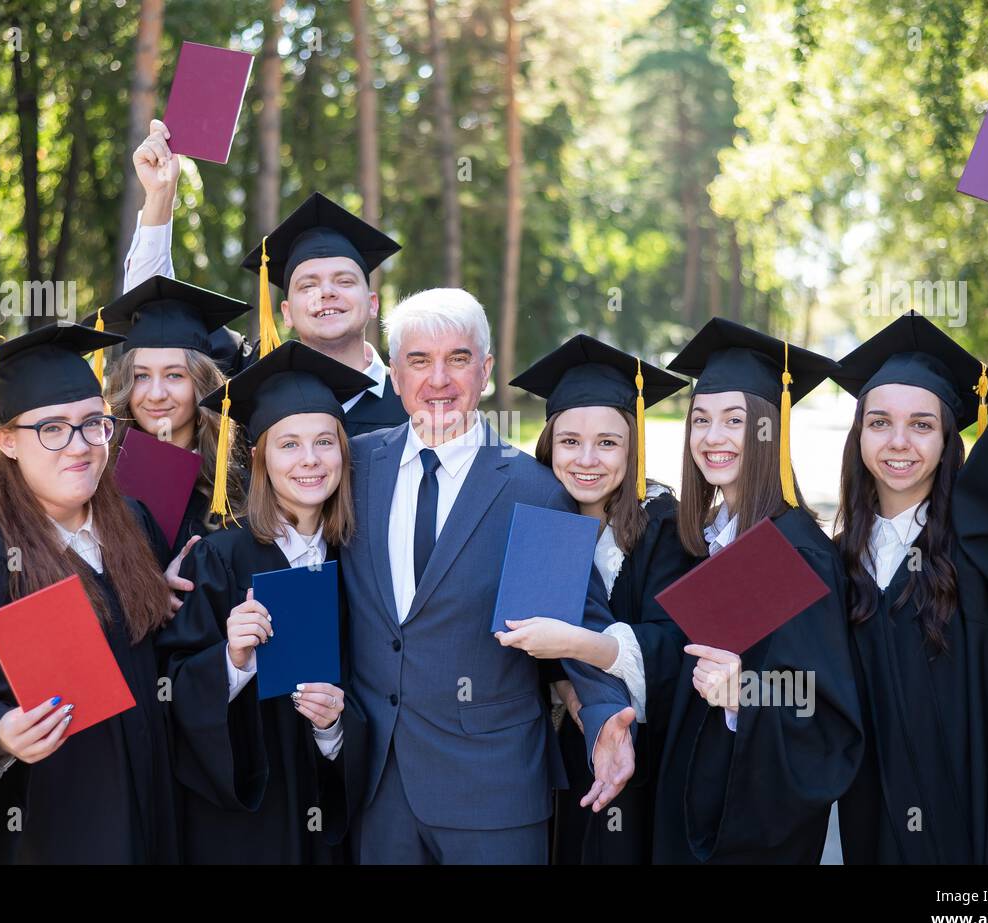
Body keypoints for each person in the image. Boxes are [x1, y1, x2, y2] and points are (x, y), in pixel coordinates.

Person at [833, 178, 988, 864]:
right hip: (879, 823)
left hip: (983, 822)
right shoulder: (837, 561)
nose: (898, 443)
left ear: (949, 441)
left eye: (922, 426)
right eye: (879, 423)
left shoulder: (981, 537)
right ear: (858, 436)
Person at [341, 288, 638, 865]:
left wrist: (605, 719)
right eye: (419, 360)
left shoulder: (534, 489)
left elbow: (575, 622)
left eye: (458, 358)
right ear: (394, 375)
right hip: (380, 785)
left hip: (492, 791)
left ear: (486, 371)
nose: (439, 380)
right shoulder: (353, 469)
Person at [0, 324, 179, 864]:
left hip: (154, 818)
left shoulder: (132, 525)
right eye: (53, 429)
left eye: (94, 424)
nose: (80, 446)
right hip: (56, 835)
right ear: (7, 441)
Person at [653, 317, 864, 864]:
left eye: (735, 420)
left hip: (752, 830)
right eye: (700, 420)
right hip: (695, 803)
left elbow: (827, 716)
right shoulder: (704, 537)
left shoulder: (797, 554)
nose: (712, 437)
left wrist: (744, 694)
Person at [155, 340, 374, 863]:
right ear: (259, 458)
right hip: (243, 825)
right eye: (289, 445)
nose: (310, 461)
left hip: (328, 816)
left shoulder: (360, 560)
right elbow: (169, 689)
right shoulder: (219, 557)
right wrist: (230, 662)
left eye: (325, 442)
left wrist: (334, 729)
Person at [507, 334, 692, 863]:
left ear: (632, 447)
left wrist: (579, 643)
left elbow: (674, 645)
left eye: (608, 442)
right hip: (560, 751)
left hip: (646, 750)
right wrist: (580, 706)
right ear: (547, 446)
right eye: (569, 442)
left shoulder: (666, 526)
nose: (587, 459)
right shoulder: (536, 526)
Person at [126, 119, 405, 433]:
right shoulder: (252, 378)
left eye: (344, 281)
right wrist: (160, 195)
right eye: (307, 285)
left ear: (372, 304)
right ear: (286, 312)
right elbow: (156, 310)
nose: (325, 292)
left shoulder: (409, 400)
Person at [94, 275, 251, 559]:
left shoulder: (236, 489)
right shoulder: (98, 481)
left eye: (174, 375)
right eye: (141, 376)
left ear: (201, 384)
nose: (155, 394)